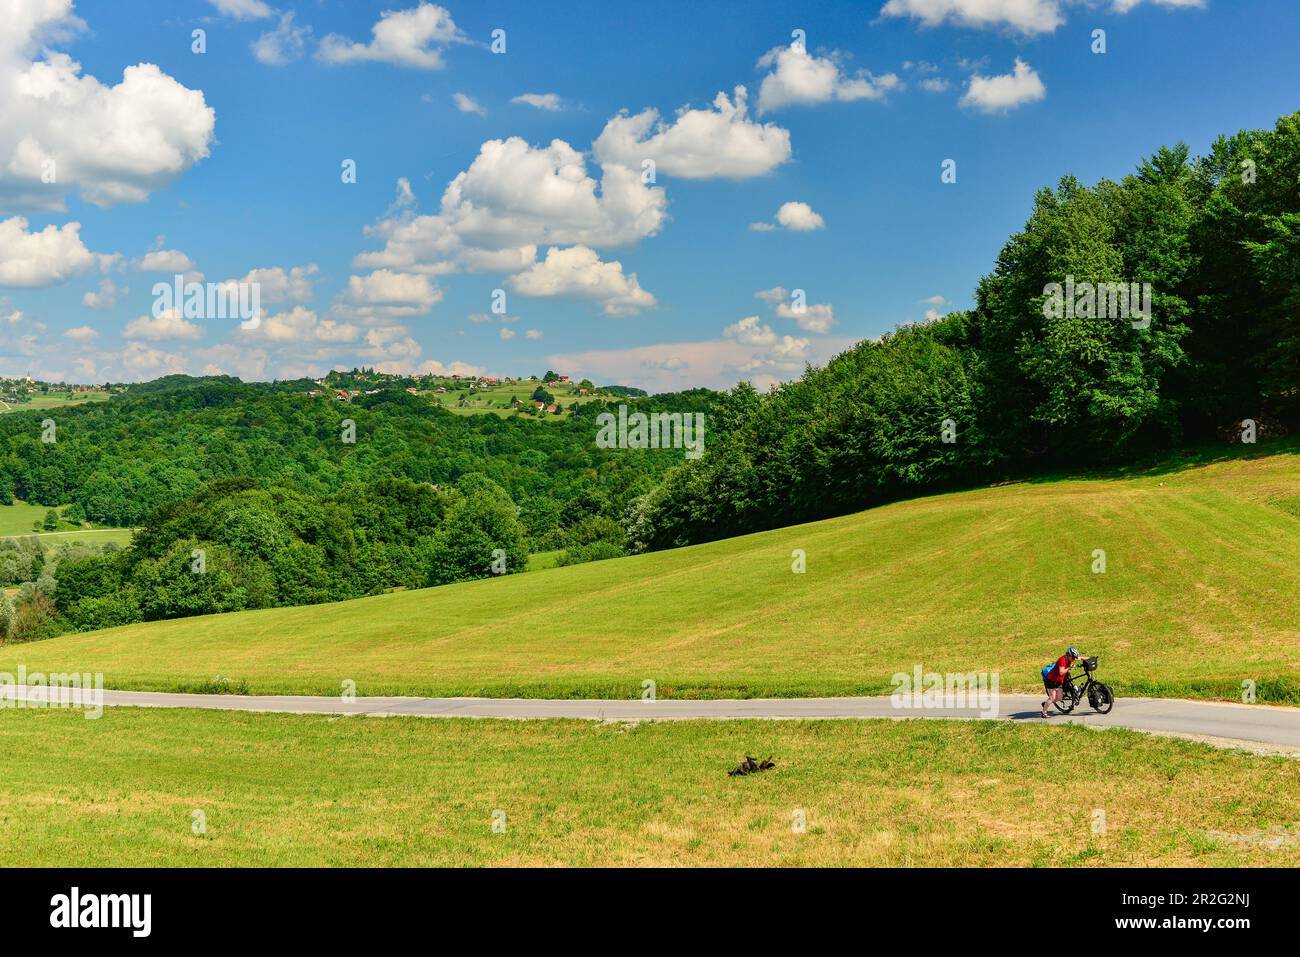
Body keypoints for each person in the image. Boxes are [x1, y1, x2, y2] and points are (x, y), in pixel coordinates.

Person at [1040, 646, 1086, 718]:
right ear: (1069, 655)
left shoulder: (1070, 658)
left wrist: (1090, 659)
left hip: (1058, 681)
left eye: (1074, 658)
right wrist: (1069, 667)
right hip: (1051, 680)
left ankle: (1047, 703)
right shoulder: (1062, 660)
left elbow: (1080, 658)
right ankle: (1044, 713)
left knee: (1060, 698)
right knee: (1052, 697)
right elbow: (1061, 672)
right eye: (1073, 658)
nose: (1074, 659)